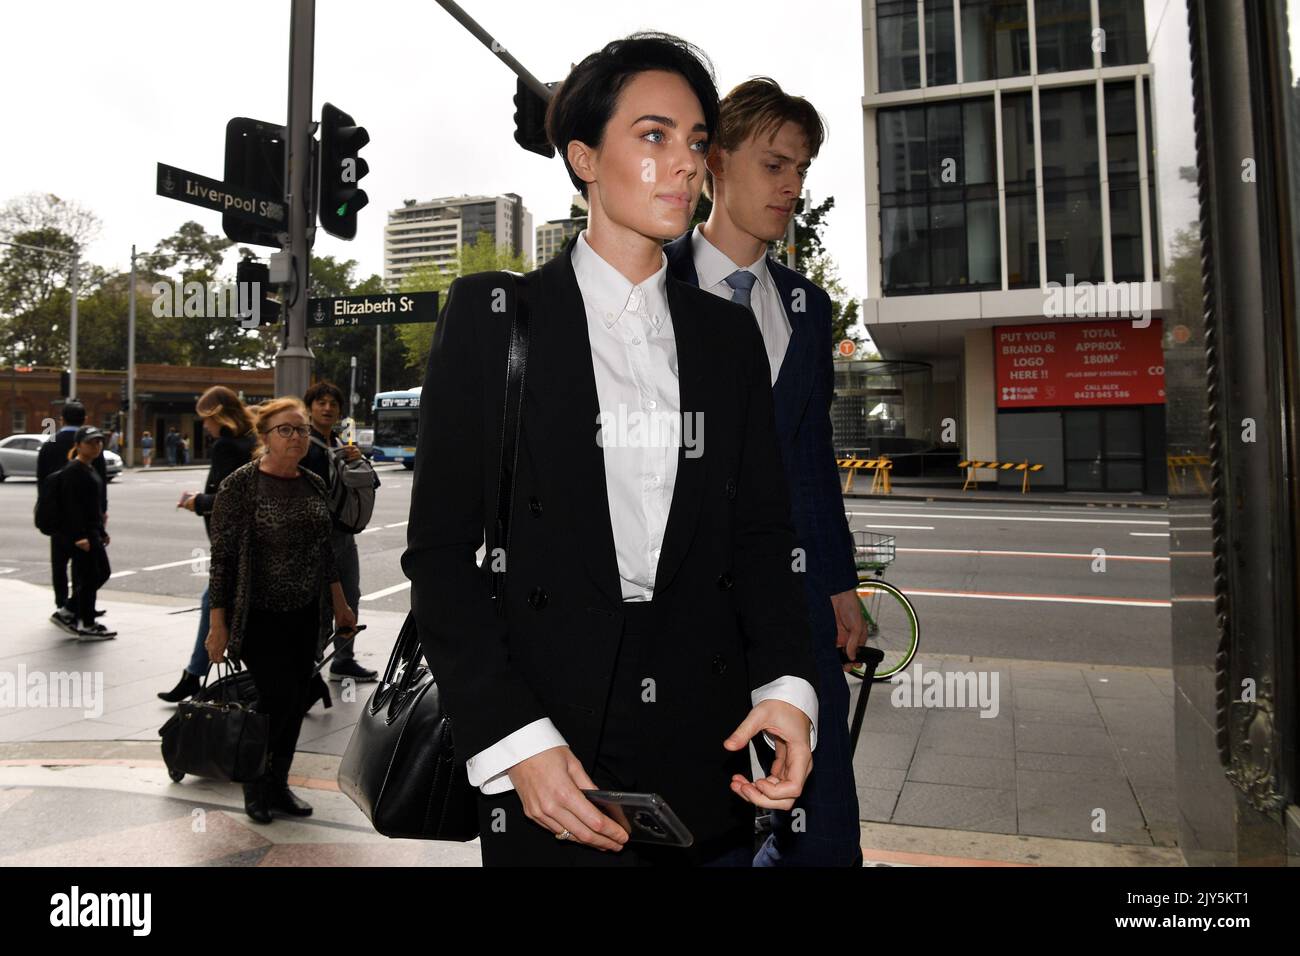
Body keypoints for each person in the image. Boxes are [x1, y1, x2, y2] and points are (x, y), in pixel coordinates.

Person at [403, 32, 818, 867]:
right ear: (584, 158)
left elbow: (763, 538)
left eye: (697, 142)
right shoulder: (498, 318)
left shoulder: (726, 337)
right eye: (654, 136)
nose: (686, 165)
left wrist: (786, 688)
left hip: (709, 744)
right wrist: (516, 739)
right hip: (549, 736)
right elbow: (443, 556)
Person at [665, 77, 865, 867]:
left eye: (803, 171)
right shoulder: (652, 281)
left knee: (824, 814)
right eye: (775, 164)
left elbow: (812, 457)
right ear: (715, 161)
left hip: (795, 598)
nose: (792, 186)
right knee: (705, 811)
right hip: (685, 609)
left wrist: (840, 582)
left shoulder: (808, 308)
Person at [205, 397, 358, 824]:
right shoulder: (241, 485)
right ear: (265, 438)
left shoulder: (313, 482)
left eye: (302, 429)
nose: (296, 437)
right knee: (276, 699)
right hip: (258, 614)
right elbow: (222, 561)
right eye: (286, 430)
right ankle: (257, 785)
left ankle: (278, 783)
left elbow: (326, 553)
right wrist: (217, 627)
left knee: (293, 703)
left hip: (305, 614)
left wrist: (342, 607)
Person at [158, 386, 258, 703]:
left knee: (213, 603)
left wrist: (196, 501)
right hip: (251, 541)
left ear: (219, 416)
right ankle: (194, 674)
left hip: (235, 543)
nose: (204, 426)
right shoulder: (251, 440)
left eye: (206, 419)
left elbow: (230, 499)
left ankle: (194, 675)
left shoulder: (227, 446)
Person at [301, 380, 379, 685]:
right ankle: (310, 666)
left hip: (344, 535)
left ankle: (343, 660)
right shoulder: (305, 445)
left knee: (350, 596)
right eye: (320, 403)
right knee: (321, 604)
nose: (327, 408)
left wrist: (356, 460)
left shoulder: (338, 443)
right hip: (317, 538)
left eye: (332, 404)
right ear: (309, 409)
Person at [37, 400, 108, 634]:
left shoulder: (50, 444)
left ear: (62, 420)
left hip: (61, 520)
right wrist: (102, 511)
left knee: (62, 565)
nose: (96, 445)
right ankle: (75, 611)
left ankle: (66, 606)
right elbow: (99, 488)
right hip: (79, 524)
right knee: (86, 570)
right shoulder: (83, 460)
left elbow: (42, 482)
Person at [55, 426, 116, 641]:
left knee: (99, 574)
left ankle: (70, 611)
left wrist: (101, 531)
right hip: (83, 535)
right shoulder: (74, 471)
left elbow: (93, 506)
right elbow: (73, 507)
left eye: (99, 442)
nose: (96, 446)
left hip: (93, 531)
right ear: (78, 445)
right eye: (91, 442)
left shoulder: (89, 468)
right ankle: (86, 623)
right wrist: (80, 536)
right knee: (91, 576)